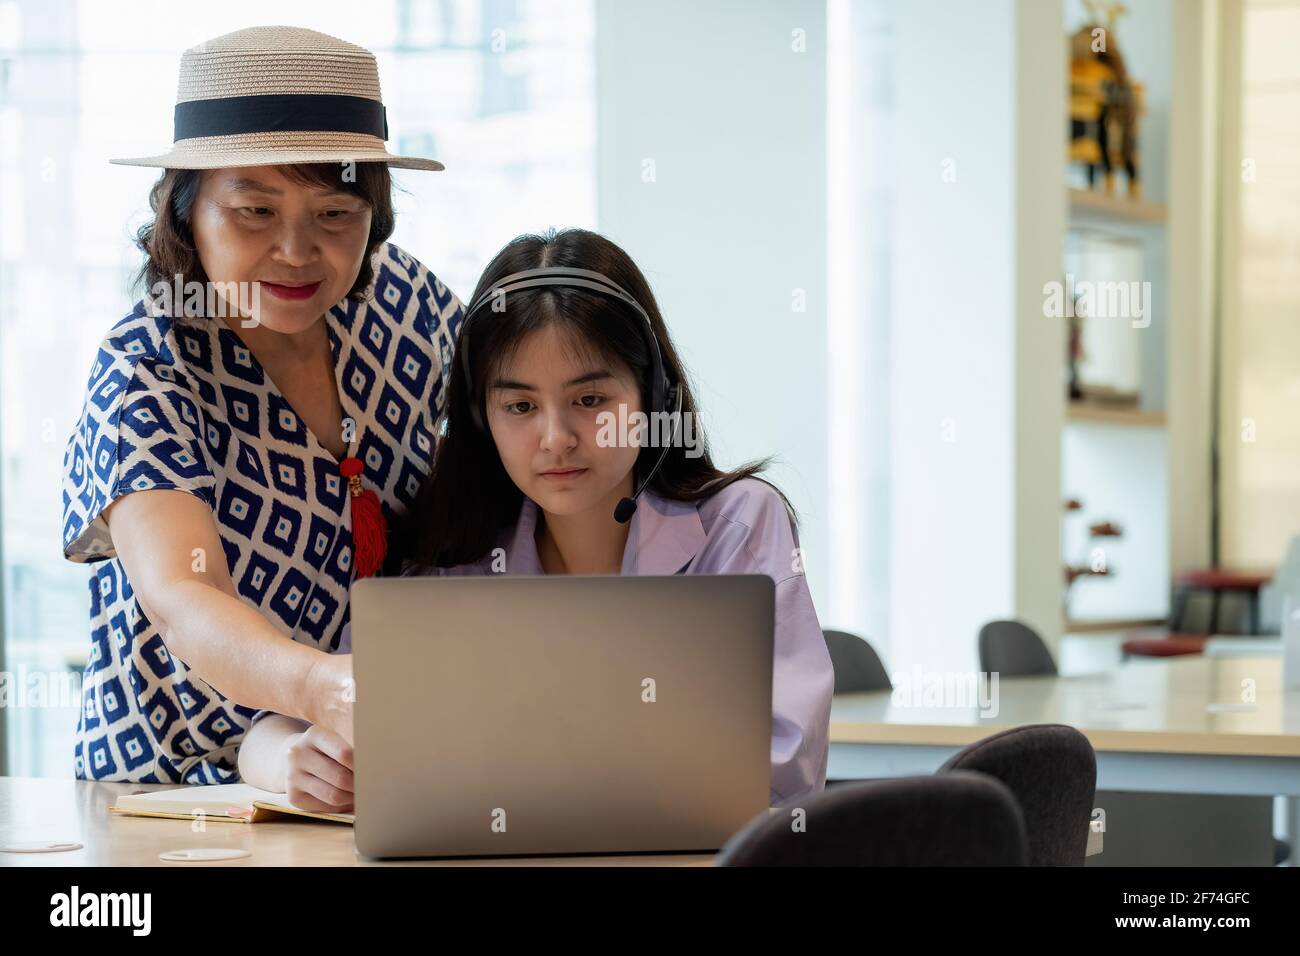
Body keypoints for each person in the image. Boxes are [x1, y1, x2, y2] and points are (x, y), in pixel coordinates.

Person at [238, 227, 835, 812]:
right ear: (483, 418)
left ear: (650, 397)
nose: (556, 439)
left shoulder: (737, 526)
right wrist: (292, 759)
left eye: (591, 401)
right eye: (520, 406)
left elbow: (785, 769)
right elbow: (277, 731)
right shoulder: (447, 562)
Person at [59, 26, 462, 783]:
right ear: (185, 212)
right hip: (169, 795)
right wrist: (320, 687)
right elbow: (184, 596)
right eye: (254, 211)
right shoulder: (148, 364)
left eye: (336, 213)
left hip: (365, 772)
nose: (298, 251)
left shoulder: (411, 306)